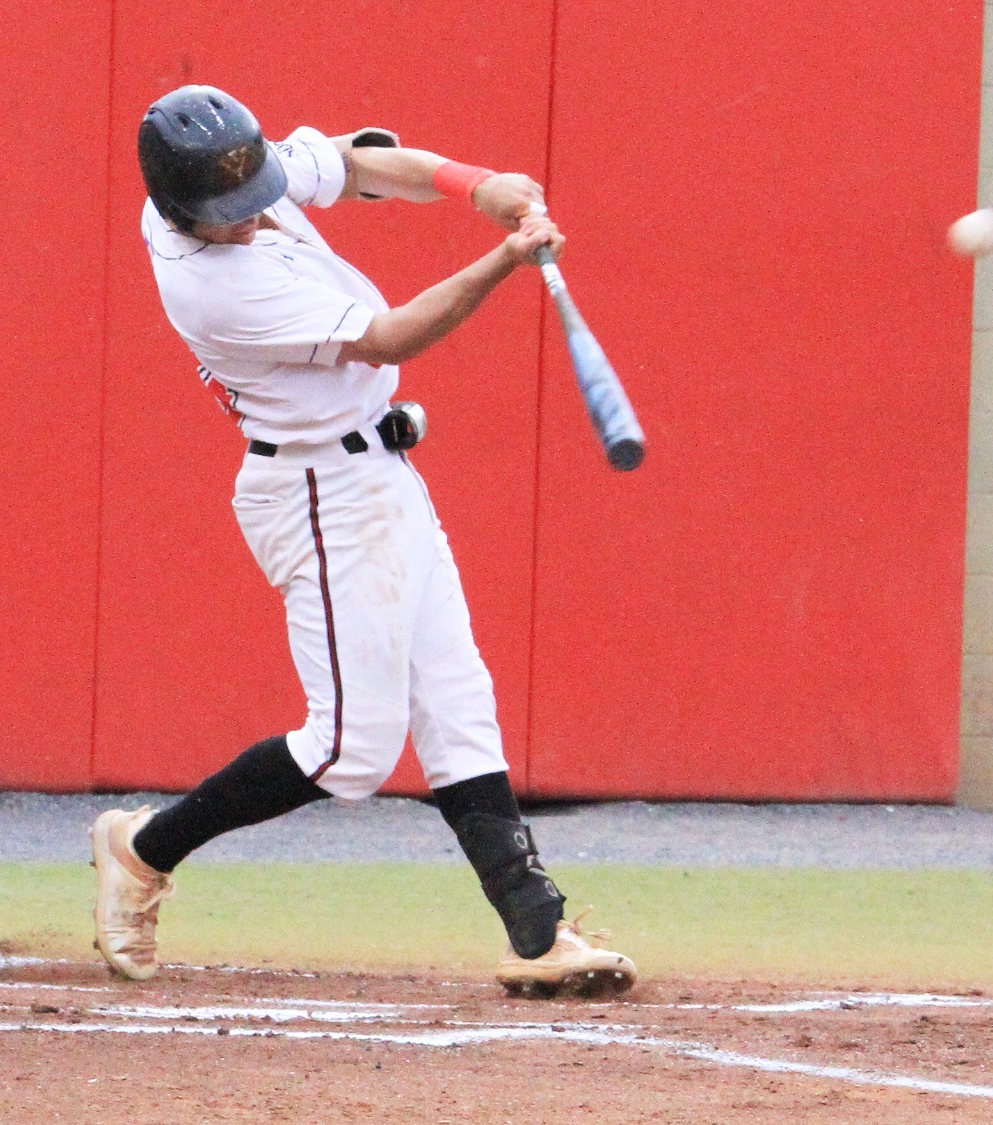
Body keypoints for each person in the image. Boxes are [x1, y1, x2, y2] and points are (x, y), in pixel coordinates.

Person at [90, 86, 635, 996]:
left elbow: (356, 161)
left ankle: (539, 935)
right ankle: (142, 850)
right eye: (228, 212)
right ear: (183, 211)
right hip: (315, 489)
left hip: (380, 473)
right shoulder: (213, 281)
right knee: (350, 750)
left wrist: (480, 183)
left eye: (254, 190)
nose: (253, 215)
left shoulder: (239, 180)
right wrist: (505, 257)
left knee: (458, 700)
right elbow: (391, 337)